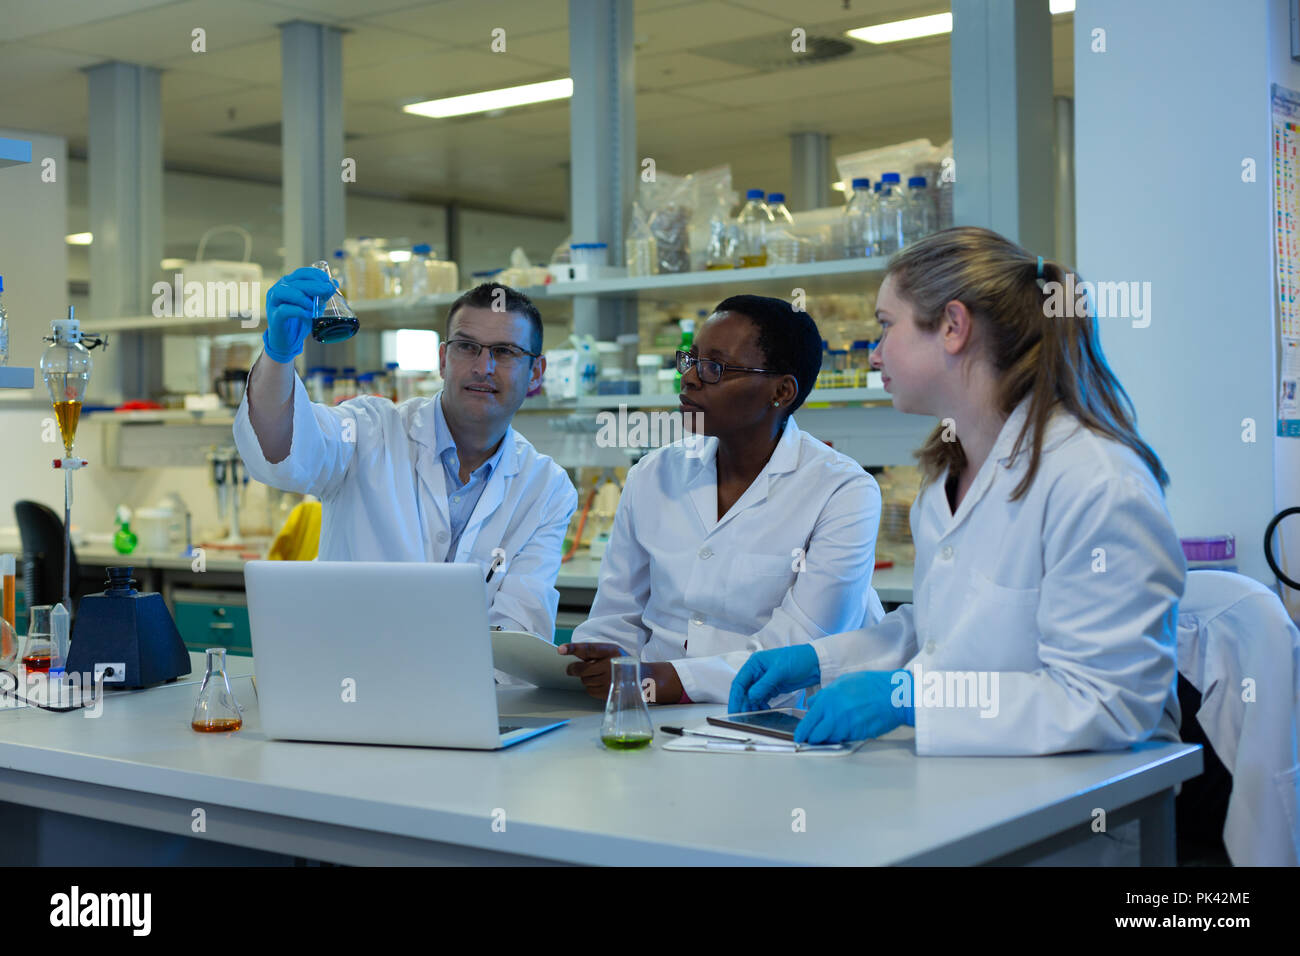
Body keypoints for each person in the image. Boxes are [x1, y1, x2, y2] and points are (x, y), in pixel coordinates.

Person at [730, 226, 1186, 758]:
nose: (875, 356)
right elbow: (943, 635)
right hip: (962, 787)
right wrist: (819, 659)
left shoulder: (1096, 481)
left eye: (886, 327)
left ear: (952, 326)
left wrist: (912, 698)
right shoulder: (950, 473)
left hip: (1075, 815)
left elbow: (1108, 702)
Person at [561, 294, 886, 704]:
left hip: (780, 724)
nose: (691, 378)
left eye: (715, 367)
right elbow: (615, 616)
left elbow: (798, 649)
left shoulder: (842, 491)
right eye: (690, 360)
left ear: (781, 391)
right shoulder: (652, 474)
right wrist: (595, 656)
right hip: (651, 717)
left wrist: (669, 681)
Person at [233, 273, 577, 640]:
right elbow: (280, 453)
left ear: (536, 373)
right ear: (444, 359)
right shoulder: (369, 431)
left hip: (470, 691)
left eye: (505, 352)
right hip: (346, 681)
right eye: (467, 347)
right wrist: (278, 355)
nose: (483, 367)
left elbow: (519, 627)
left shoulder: (547, 489)